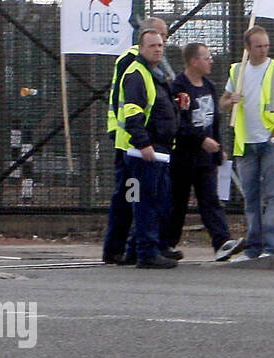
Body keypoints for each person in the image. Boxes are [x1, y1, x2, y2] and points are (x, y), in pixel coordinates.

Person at [165, 42, 245, 262]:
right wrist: (200, 140)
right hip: (183, 156)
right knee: (177, 203)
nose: (210, 61)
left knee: (211, 200)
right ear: (193, 61)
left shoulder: (209, 85)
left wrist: (218, 150)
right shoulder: (179, 87)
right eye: (206, 58)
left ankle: (221, 242)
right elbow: (178, 124)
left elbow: (214, 121)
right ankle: (167, 243)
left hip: (205, 158)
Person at [221, 25, 274, 261]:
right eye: (258, 46)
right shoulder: (237, 71)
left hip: (268, 141)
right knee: (251, 196)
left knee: (273, 195)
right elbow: (223, 102)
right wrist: (229, 100)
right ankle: (254, 246)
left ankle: (271, 247)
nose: (263, 50)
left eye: (266, 46)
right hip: (246, 142)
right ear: (248, 48)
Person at [103, 16, 170, 265]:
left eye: (164, 38)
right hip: (129, 141)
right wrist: (138, 138)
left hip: (135, 139)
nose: (163, 42)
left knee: (136, 195)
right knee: (129, 196)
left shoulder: (152, 63)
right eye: (160, 36)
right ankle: (117, 248)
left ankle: (134, 246)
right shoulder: (133, 63)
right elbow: (125, 102)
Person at [113, 28, 181, 269]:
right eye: (152, 45)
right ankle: (146, 252)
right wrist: (144, 144)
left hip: (159, 150)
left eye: (161, 45)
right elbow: (133, 112)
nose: (158, 49)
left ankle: (143, 249)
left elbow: (158, 107)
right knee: (146, 203)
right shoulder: (137, 74)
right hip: (146, 152)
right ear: (141, 48)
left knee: (158, 201)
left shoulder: (154, 73)